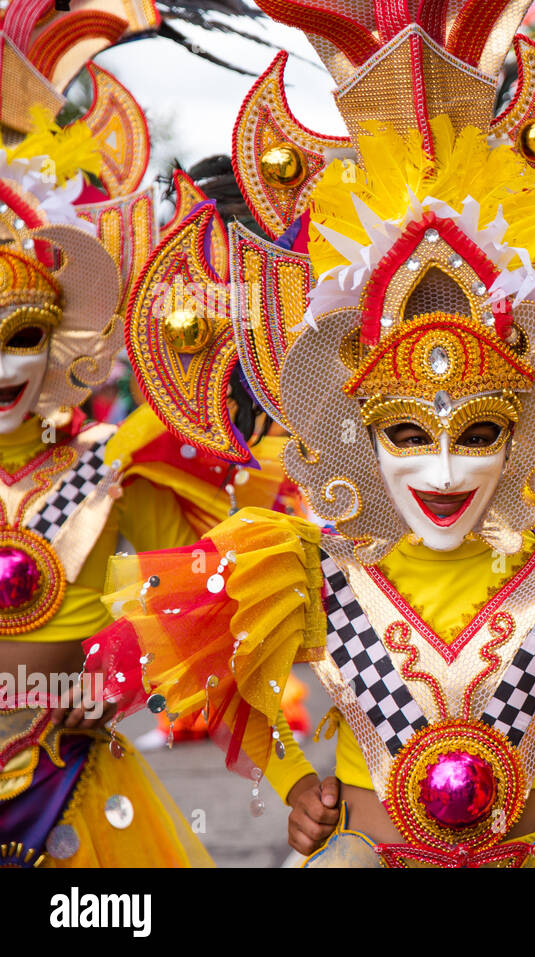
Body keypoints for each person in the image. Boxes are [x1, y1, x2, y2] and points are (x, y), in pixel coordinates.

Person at [88, 0, 535, 868]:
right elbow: (218, 669)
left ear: (524, 431)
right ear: (358, 434)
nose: (442, 470)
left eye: (477, 433)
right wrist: (295, 784)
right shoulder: (309, 576)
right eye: (405, 432)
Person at [0, 19, 286, 867]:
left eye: (21, 335)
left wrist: (128, 653)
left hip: (74, 788)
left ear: (61, 340)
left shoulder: (113, 463)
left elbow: (213, 577)